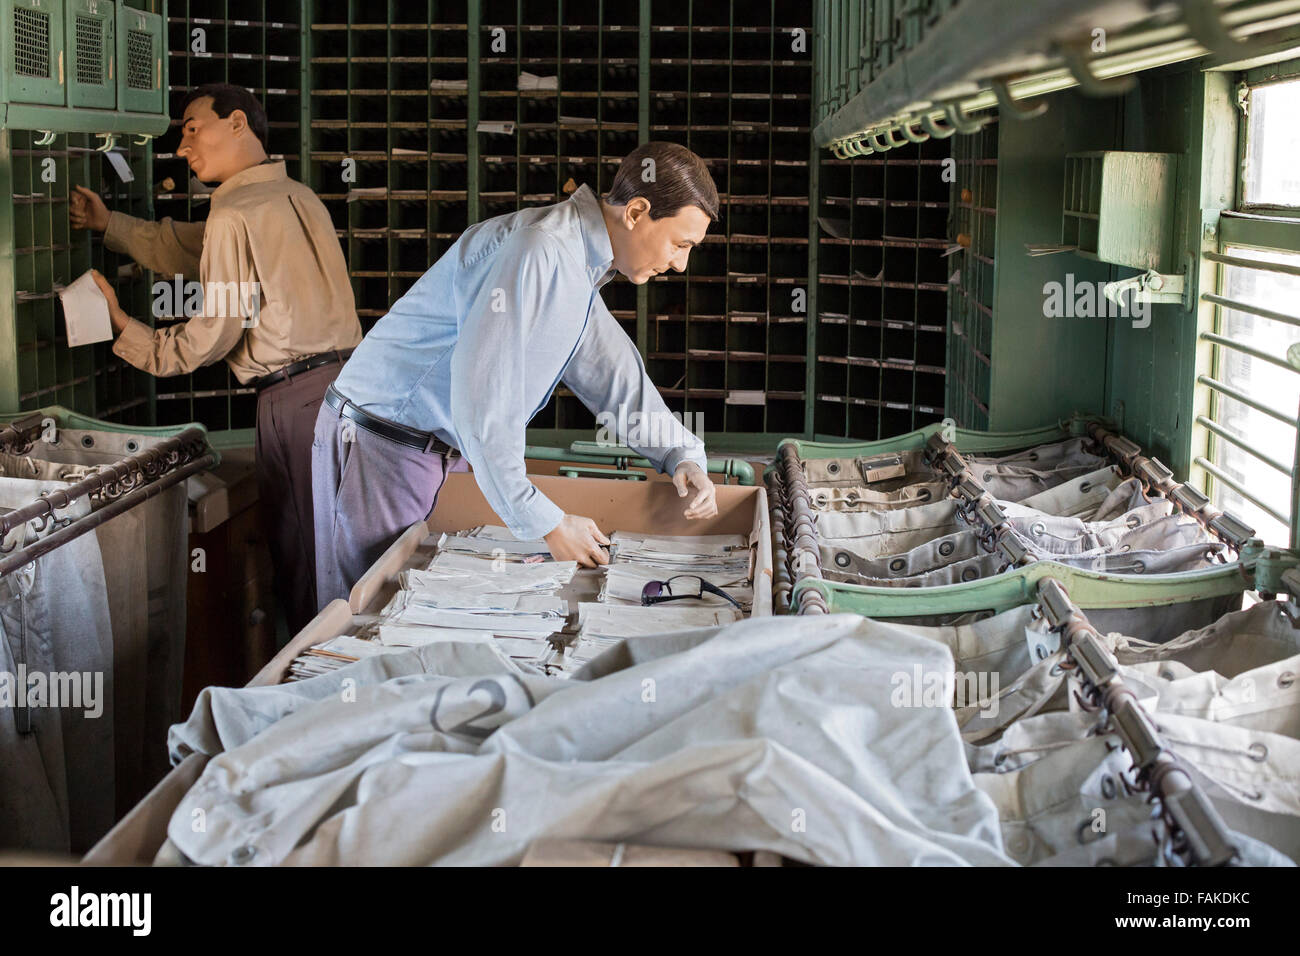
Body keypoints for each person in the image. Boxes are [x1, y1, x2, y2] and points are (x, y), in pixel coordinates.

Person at [314, 141, 721, 605]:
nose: (680, 263)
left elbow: (615, 381)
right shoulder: (541, 249)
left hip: (432, 450)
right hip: (381, 443)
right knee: (367, 617)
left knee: (411, 606)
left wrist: (680, 454)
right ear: (636, 212)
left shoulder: (578, 263)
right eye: (680, 244)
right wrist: (546, 521)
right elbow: (481, 400)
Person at [72, 83, 362, 635]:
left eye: (190, 127)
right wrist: (111, 225)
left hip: (293, 405)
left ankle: (309, 698)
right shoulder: (297, 198)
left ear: (237, 123)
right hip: (350, 391)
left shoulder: (234, 214)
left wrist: (128, 331)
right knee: (339, 558)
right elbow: (189, 248)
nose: (182, 147)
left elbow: (217, 332)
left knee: (304, 564)